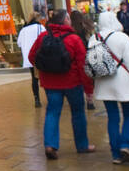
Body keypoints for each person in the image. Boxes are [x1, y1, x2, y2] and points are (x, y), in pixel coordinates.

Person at [89, 11, 129, 166]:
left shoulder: (94, 38)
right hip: (123, 82)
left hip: (104, 82)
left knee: (112, 118)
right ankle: (125, 145)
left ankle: (115, 154)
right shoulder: (122, 37)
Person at [29, 9, 94, 160]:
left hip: (50, 84)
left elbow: (32, 56)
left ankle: (50, 145)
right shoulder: (74, 39)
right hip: (73, 83)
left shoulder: (43, 37)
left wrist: (45, 69)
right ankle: (82, 145)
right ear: (65, 20)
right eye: (68, 19)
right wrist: (88, 88)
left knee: (52, 112)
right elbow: (83, 65)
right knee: (78, 113)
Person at [17, 13, 46, 107]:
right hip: (40, 56)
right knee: (44, 77)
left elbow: (19, 43)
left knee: (34, 78)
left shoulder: (23, 30)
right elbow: (46, 38)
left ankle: (36, 99)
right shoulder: (40, 27)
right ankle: (49, 96)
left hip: (29, 58)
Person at [71, 10, 96, 110]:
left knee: (77, 78)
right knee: (88, 79)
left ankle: (78, 98)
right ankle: (90, 101)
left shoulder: (71, 28)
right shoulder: (86, 26)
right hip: (87, 54)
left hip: (75, 55)